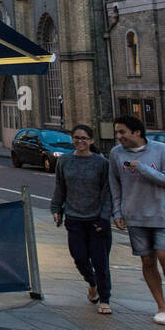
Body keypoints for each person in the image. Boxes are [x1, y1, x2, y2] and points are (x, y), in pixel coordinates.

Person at [109, 115, 165, 325]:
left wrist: (142, 169)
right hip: (135, 216)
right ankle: (161, 307)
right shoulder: (116, 154)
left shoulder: (162, 150)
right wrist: (117, 212)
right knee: (147, 260)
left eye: (122, 132)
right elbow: (114, 184)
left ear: (137, 132)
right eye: (117, 132)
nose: (119, 137)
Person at [50, 124, 113, 315]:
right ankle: (91, 282)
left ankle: (104, 299)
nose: (80, 141)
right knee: (79, 257)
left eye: (84, 138)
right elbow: (60, 186)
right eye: (76, 137)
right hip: (74, 217)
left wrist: (104, 218)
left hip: (96, 219)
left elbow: (107, 192)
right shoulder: (65, 161)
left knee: (100, 261)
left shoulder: (101, 163)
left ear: (91, 141)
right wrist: (56, 208)